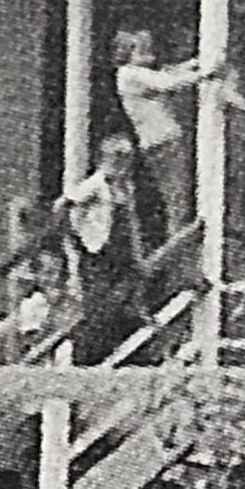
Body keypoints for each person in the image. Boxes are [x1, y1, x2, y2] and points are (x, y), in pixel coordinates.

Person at [110, 28, 245, 241]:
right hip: (161, 142)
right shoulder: (129, 74)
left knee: (180, 198)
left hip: (165, 141)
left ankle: (185, 247)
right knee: (176, 200)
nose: (148, 53)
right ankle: (178, 256)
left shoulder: (136, 74)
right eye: (140, 49)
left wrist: (194, 63)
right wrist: (205, 72)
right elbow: (167, 82)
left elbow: (167, 74)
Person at [51, 132, 144, 363]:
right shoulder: (95, 184)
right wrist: (77, 238)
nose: (122, 164)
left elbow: (130, 220)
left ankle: (116, 350)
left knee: (122, 299)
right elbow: (64, 205)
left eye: (126, 158)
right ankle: (86, 355)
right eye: (117, 157)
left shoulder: (125, 187)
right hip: (97, 251)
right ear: (104, 158)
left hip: (121, 251)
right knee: (98, 303)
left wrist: (137, 250)